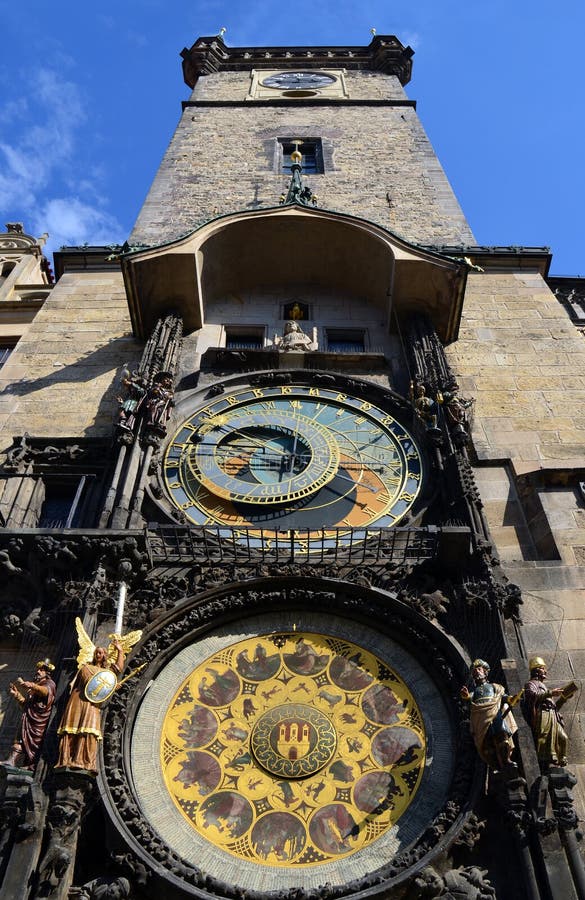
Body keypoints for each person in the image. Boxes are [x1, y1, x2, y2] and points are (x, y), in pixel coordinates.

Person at [56, 641, 124, 773]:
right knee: (73, 729)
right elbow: (90, 683)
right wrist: (110, 686)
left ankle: (85, 761)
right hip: (79, 700)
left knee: (90, 730)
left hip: (93, 704)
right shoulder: (85, 668)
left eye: (101, 652)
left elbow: (118, 668)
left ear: (105, 655)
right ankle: (67, 758)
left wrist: (120, 651)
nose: (98, 654)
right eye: (96, 652)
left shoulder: (106, 672)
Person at [460, 659, 517, 769]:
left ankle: (506, 760)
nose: (476, 672)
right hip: (481, 718)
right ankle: (495, 764)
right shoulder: (474, 692)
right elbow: (469, 705)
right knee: (486, 743)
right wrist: (466, 697)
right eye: (474, 671)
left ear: (485, 672)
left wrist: (510, 699)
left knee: (502, 732)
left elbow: (502, 697)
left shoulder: (494, 687)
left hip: (494, 714)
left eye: (479, 669)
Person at [522, 656, 577, 768]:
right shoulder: (530, 684)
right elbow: (531, 696)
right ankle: (543, 762)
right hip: (543, 715)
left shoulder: (543, 686)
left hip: (552, 715)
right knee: (544, 737)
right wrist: (550, 693)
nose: (545, 671)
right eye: (542, 668)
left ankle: (561, 759)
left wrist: (564, 698)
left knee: (563, 738)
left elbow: (554, 707)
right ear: (536, 671)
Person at [2, 658, 56, 769]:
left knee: (33, 744)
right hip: (29, 719)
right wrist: (16, 694)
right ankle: (11, 761)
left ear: (47, 673)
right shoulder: (35, 688)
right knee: (21, 739)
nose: (38, 671)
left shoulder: (49, 683)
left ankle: (29, 765)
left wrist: (31, 685)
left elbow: (45, 692)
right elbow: (27, 705)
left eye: (42, 670)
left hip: (38, 722)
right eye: (38, 669)